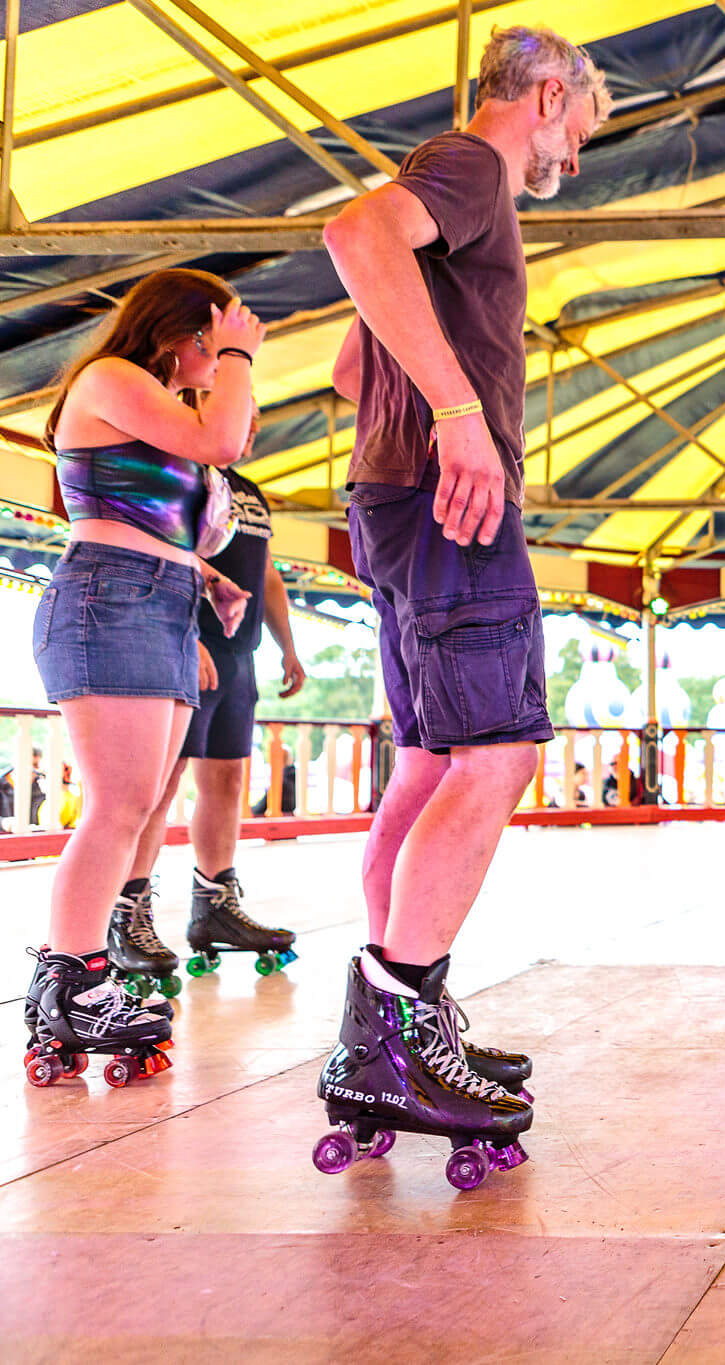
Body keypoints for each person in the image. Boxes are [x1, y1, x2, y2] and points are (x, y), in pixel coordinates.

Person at [312, 26, 609, 1180]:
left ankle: (395, 1020)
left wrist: (420, 369)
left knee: (433, 760)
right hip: (445, 498)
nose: (573, 155)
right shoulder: (474, 167)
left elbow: (348, 368)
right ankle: (397, 1037)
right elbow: (353, 231)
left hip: (390, 497)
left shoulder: (450, 205)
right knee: (494, 753)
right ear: (546, 94)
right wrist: (457, 409)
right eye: (578, 128)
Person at [24, 267, 257, 1088]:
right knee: (119, 803)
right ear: (178, 334)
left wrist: (208, 577)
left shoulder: (161, 404)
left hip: (158, 599)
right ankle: (72, 976)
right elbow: (225, 441)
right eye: (210, 339)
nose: (217, 359)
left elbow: (178, 502)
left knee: (143, 803)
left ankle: (76, 973)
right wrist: (239, 358)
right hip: (106, 597)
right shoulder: (110, 378)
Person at [112, 410, 307, 1000]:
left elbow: (267, 576)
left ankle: (215, 903)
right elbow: (159, 553)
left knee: (225, 781)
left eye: (252, 421)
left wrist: (288, 649)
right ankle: (129, 911)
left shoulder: (249, 493)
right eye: (235, 417)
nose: (246, 430)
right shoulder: (177, 473)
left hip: (239, 653)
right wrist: (187, 634)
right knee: (161, 784)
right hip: (181, 643)